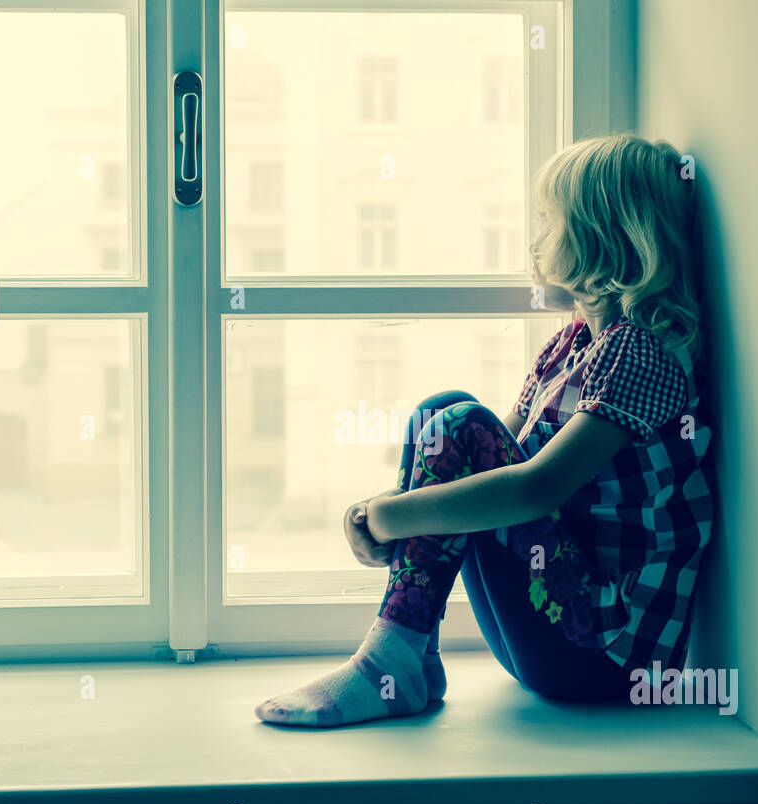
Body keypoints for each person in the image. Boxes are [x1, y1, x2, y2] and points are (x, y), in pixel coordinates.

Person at [256, 133, 714, 727]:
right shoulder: (573, 346)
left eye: (551, 223)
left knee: (458, 420)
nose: (535, 241)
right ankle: (405, 654)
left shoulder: (643, 354)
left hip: (608, 656)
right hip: (559, 630)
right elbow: (481, 452)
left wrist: (386, 516)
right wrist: (389, 504)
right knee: (443, 412)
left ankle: (393, 659)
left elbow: (532, 489)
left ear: (604, 239)